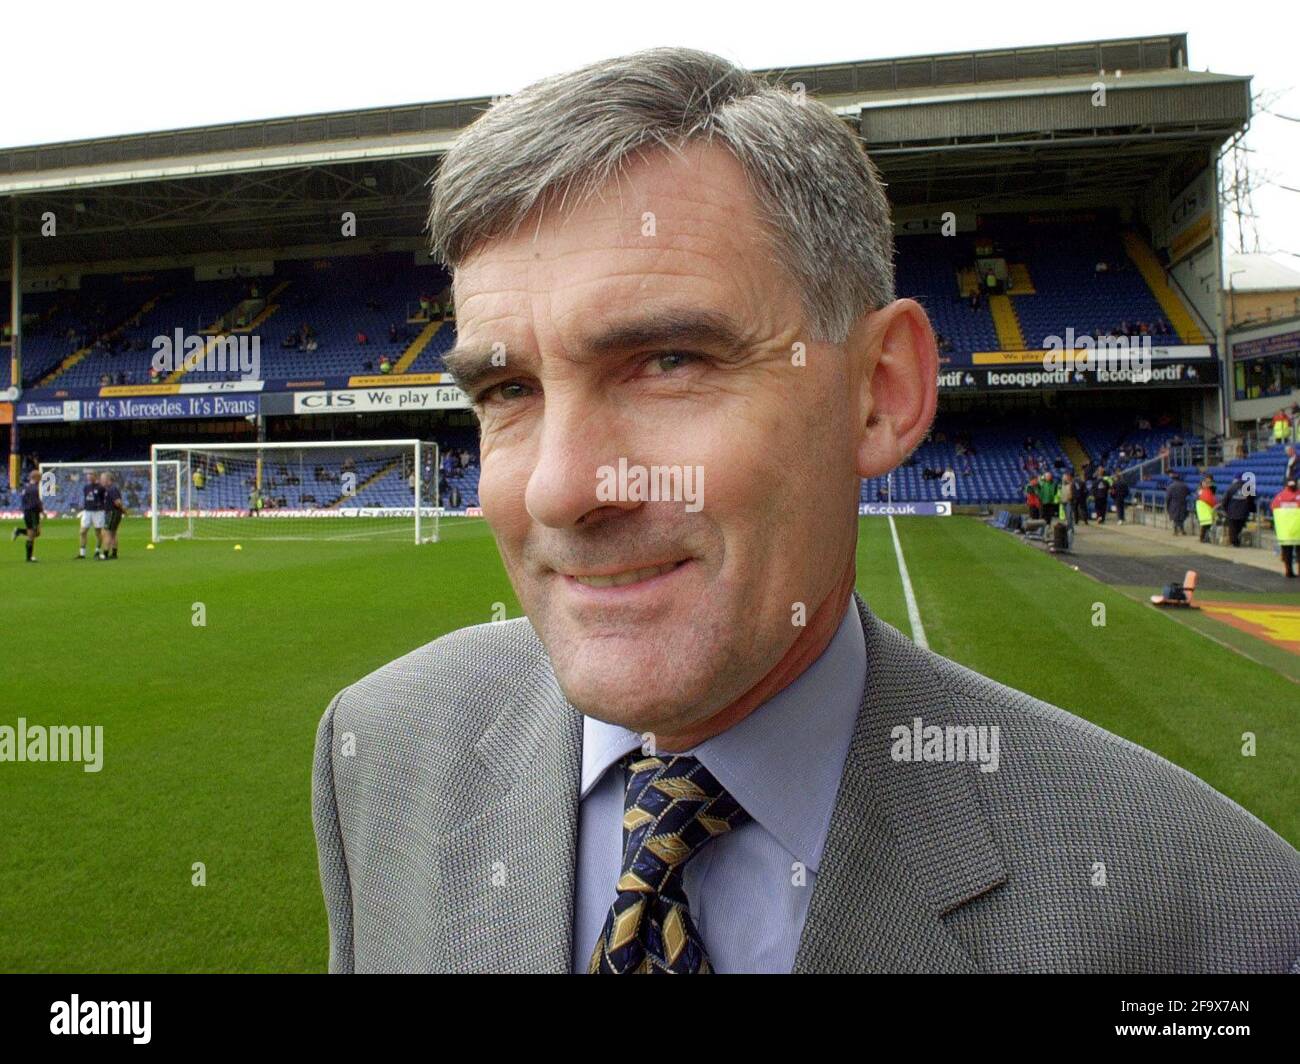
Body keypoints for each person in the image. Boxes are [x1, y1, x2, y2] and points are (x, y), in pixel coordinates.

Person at [312, 48, 1300, 975]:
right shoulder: (379, 749)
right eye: (506, 392)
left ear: (878, 391)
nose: (560, 489)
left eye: (668, 362)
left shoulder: (1216, 914)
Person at [1269, 478, 1300, 578]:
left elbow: (1273, 507)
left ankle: (1288, 571)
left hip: (1285, 532)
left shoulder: (1280, 497)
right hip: (1298, 531)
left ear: (1286, 486)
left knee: (1287, 553)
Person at [12, 469, 43, 562]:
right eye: (40, 477)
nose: (40, 479)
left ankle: (19, 531)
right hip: (32, 512)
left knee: (35, 533)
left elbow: (24, 500)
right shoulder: (34, 489)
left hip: (27, 512)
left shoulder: (26, 487)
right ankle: (29, 558)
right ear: (36, 477)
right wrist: (41, 511)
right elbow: (36, 503)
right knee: (33, 533)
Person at [77, 470, 107, 559]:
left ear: (95, 476)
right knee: (82, 531)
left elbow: (103, 499)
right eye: (87, 475)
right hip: (87, 511)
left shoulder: (101, 487)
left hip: (98, 512)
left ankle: (97, 550)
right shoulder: (86, 487)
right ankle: (82, 553)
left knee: (98, 532)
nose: (88, 476)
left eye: (90, 474)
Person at [1220, 474, 1255, 547]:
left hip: (1232, 513)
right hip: (1243, 513)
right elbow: (1252, 500)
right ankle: (1236, 542)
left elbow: (1225, 501)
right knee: (1238, 528)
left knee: (1232, 529)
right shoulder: (1249, 488)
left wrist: (1226, 510)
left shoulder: (1231, 487)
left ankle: (1235, 543)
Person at [100, 471, 126, 559]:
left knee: (107, 532)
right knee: (113, 533)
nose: (101, 481)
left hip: (112, 512)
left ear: (108, 479)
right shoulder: (110, 489)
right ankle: (114, 554)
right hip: (114, 512)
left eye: (102, 479)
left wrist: (123, 510)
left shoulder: (112, 489)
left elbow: (118, 502)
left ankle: (105, 554)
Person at [1165, 471, 1190, 535]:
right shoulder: (1184, 486)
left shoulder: (1170, 487)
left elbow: (1168, 497)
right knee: (1181, 518)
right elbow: (1188, 493)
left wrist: (1167, 505)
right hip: (1183, 503)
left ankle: (1176, 530)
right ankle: (1182, 530)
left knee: (1176, 518)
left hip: (1174, 504)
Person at [1196, 477, 1217, 543]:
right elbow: (1210, 500)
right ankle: (1203, 538)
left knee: (1206, 525)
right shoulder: (1203, 491)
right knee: (1205, 525)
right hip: (1205, 509)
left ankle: (1204, 538)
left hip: (1206, 509)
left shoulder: (1207, 490)